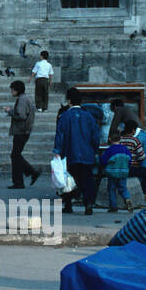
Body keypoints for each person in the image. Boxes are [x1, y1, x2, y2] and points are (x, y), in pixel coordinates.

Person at [53, 87, 100, 215]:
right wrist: (94, 149)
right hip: (87, 153)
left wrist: (57, 151)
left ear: (69, 101)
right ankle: (88, 203)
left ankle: (68, 203)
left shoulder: (64, 116)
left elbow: (60, 136)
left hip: (70, 153)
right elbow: (95, 136)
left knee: (69, 179)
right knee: (87, 178)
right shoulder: (89, 116)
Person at [5, 79, 39, 189]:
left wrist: (9, 111)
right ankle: (26, 176)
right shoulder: (24, 98)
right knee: (16, 155)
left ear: (17, 90)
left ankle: (23, 178)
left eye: (12, 90)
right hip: (23, 131)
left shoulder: (22, 100)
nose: (11, 92)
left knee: (15, 155)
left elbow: (21, 115)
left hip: (21, 131)